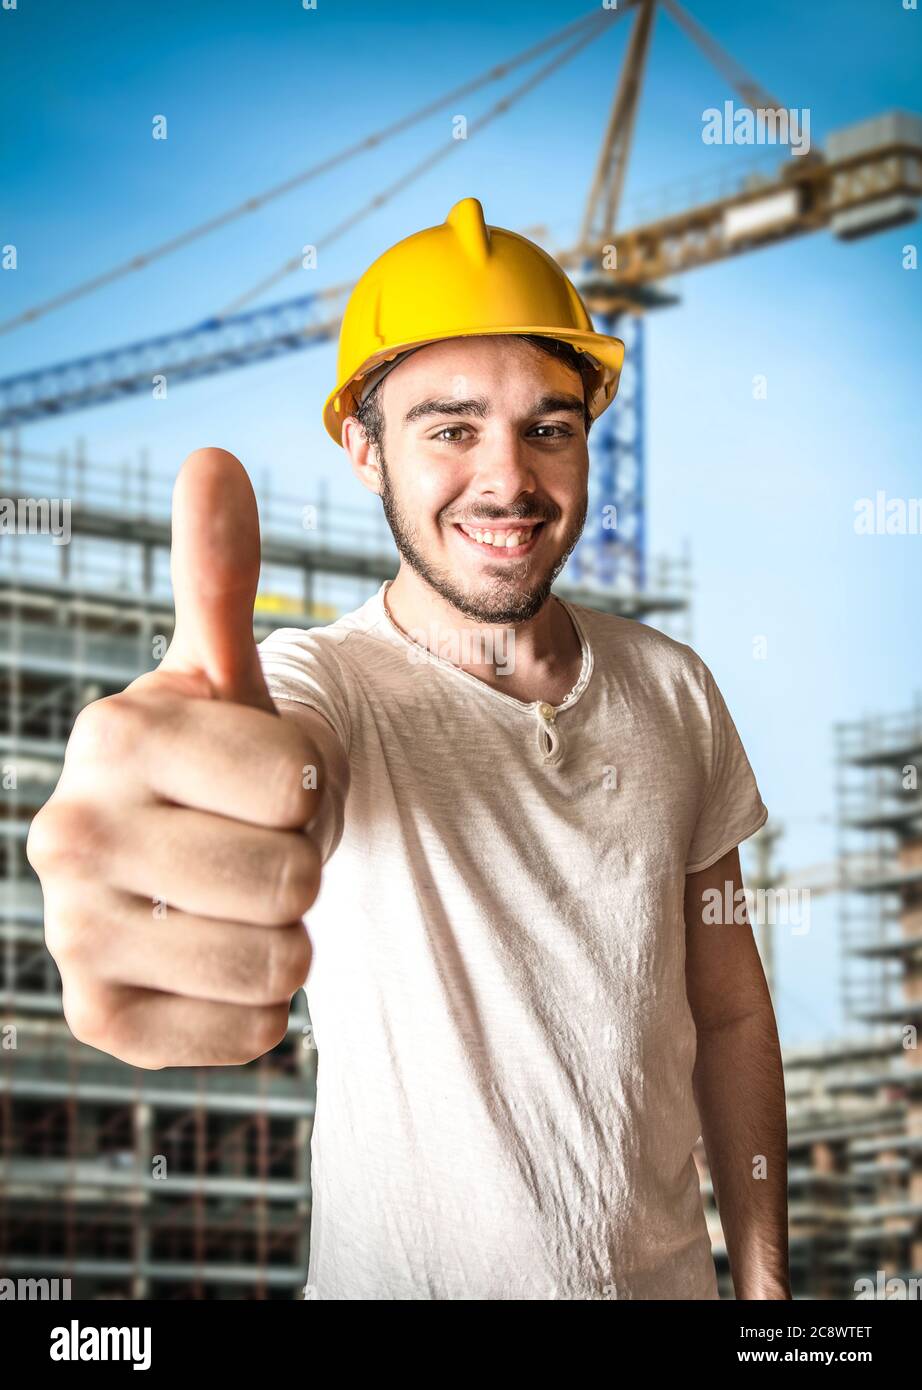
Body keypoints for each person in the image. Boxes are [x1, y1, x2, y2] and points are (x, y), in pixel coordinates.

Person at [28, 197, 790, 1301]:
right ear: (364, 449)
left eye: (549, 426)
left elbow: (725, 1010)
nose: (508, 480)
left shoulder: (673, 686)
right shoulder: (325, 684)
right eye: (449, 427)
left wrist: (764, 1289)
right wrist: (175, 831)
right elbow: (280, 761)